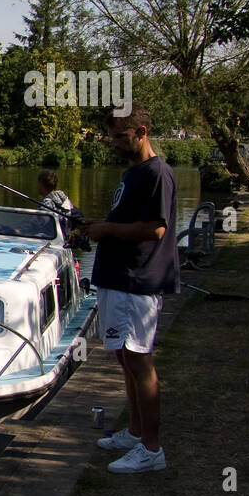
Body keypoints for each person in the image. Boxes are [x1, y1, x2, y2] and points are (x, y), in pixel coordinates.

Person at [82, 105, 180, 473]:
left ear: (141, 132)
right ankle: (136, 433)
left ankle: (152, 450)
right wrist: (101, 225)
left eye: (121, 137)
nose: (115, 143)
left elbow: (156, 228)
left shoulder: (157, 173)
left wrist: (106, 231)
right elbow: (128, 221)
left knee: (140, 361)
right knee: (125, 358)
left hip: (137, 280)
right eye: (112, 136)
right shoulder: (133, 172)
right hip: (118, 277)